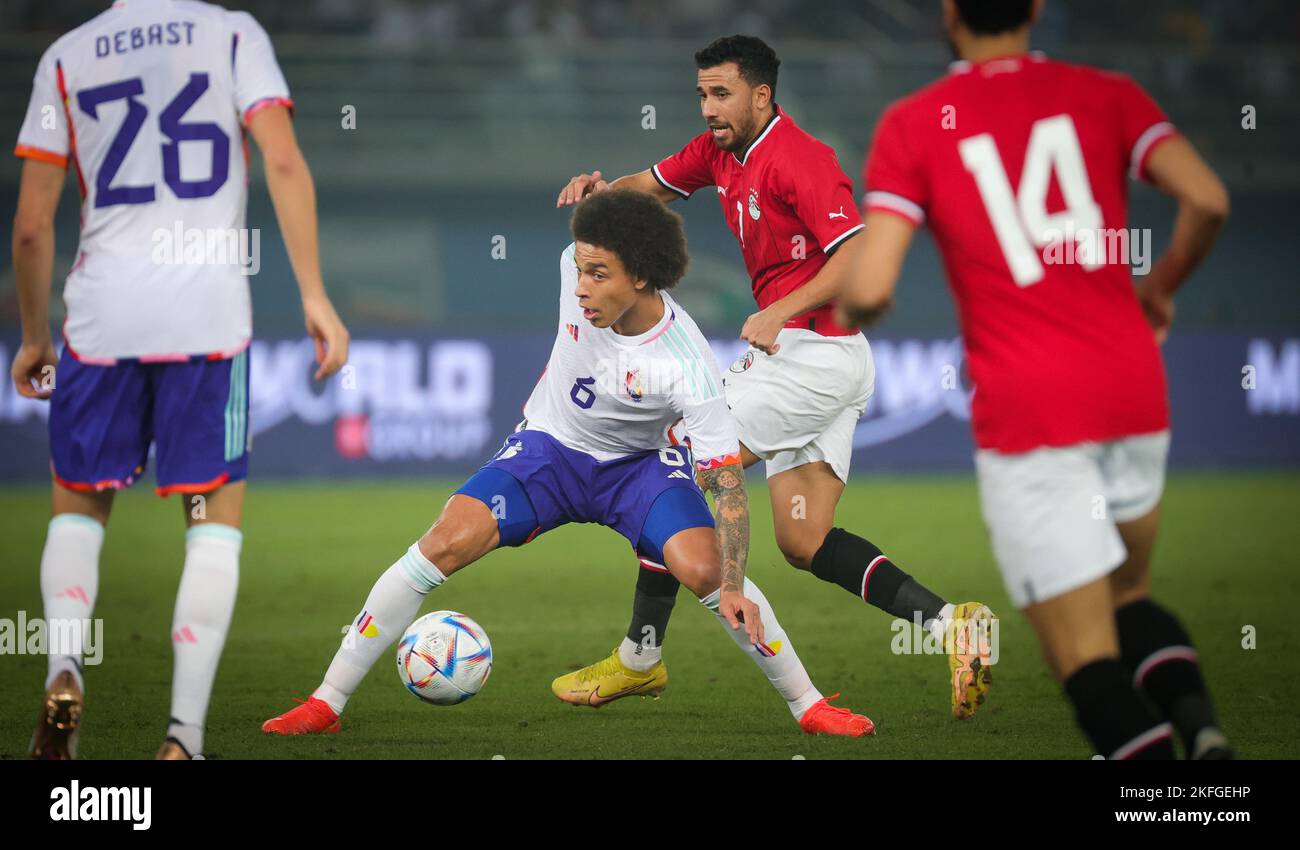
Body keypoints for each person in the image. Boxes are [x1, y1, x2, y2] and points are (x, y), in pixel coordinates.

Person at [262, 190, 873, 738]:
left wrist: (734, 579)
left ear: (640, 277)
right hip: (548, 452)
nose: (580, 285)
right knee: (444, 540)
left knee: (706, 569)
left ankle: (809, 705)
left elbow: (727, 486)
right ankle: (326, 701)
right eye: (579, 268)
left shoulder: (688, 367)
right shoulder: (577, 271)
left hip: (640, 470)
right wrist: (599, 193)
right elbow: (612, 221)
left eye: (597, 274)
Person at [555, 35, 993, 719]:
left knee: (672, 464)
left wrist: (780, 311)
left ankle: (640, 657)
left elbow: (860, 255)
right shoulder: (716, 153)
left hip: (811, 357)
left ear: (762, 94)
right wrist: (599, 191)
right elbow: (646, 190)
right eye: (701, 94)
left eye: (721, 93)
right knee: (803, 538)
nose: (707, 107)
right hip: (820, 362)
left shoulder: (803, 160)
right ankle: (951, 623)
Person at [841, 0, 1231, 759]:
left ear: (950, 15)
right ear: (1037, 8)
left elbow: (872, 288)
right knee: (1129, 597)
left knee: (1084, 656)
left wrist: (851, 297)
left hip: (1031, 410)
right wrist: (1163, 287)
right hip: (1131, 386)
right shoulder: (1107, 92)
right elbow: (1208, 198)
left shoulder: (917, 122)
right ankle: (1204, 732)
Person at [14, 0, 349, 759]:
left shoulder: (66, 55)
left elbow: (33, 226)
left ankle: (64, 668)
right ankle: (183, 738)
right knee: (211, 524)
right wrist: (314, 295)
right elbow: (284, 161)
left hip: (103, 316)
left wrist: (35, 335)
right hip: (205, 315)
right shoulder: (233, 35)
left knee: (78, 511)